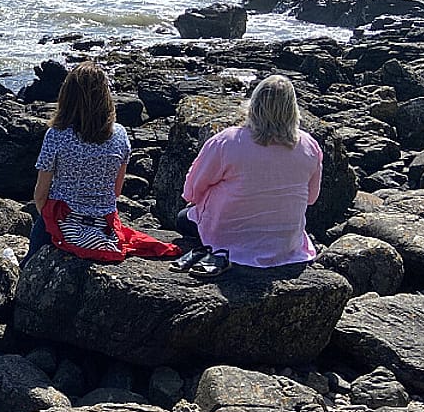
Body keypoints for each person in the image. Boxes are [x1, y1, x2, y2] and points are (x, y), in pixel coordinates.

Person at [30, 62, 179, 263]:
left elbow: (41, 195)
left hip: (64, 221)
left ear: (67, 96)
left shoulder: (56, 135)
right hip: (104, 225)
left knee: (30, 262)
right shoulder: (120, 135)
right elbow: (116, 192)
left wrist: (49, 222)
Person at [176, 74, 323, 274]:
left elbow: (192, 190)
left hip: (230, 237)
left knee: (182, 218)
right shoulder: (309, 146)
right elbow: (311, 198)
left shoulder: (228, 141)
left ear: (254, 105)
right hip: (286, 245)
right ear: (293, 109)